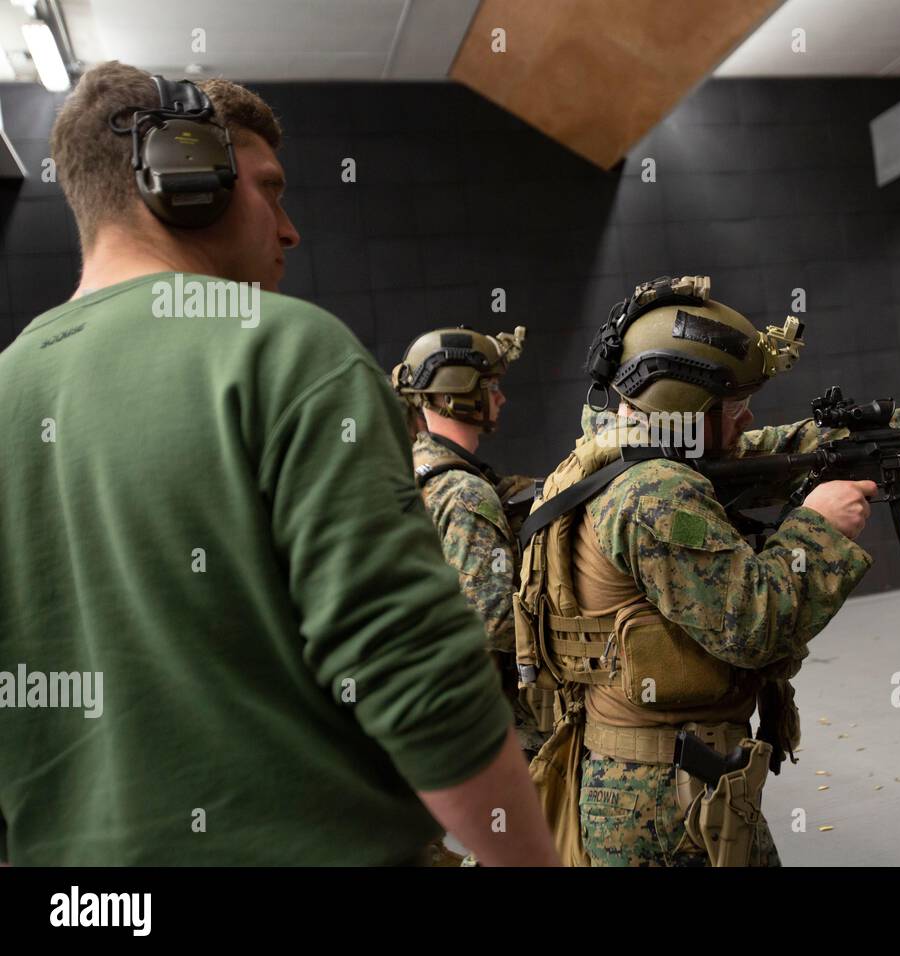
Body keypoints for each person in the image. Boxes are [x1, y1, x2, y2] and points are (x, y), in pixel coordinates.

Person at [0, 61, 556, 866]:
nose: (289, 228)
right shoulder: (288, 348)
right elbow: (414, 675)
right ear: (186, 175)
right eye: (269, 187)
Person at [515, 275, 900, 866]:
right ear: (687, 409)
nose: (748, 419)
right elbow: (752, 624)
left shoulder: (620, 447)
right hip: (665, 807)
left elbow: (779, 449)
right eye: (735, 406)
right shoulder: (656, 495)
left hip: (662, 778)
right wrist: (817, 528)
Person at [392, 326, 553, 761]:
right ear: (453, 397)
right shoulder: (465, 493)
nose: (500, 398)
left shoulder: (414, 466)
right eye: (491, 387)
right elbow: (496, 621)